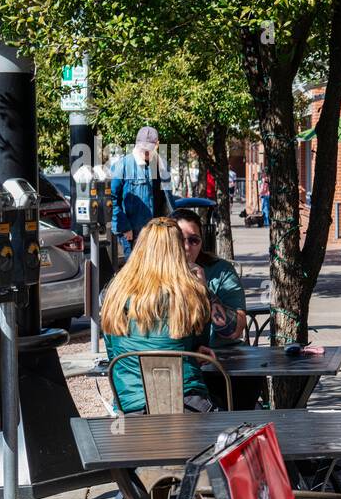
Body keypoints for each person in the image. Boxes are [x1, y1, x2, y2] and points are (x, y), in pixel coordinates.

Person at [99, 217, 216, 414]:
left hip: (130, 407)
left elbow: (112, 352)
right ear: (178, 249)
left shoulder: (114, 291)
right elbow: (200, 343)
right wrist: (203, 289)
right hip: (186, 402)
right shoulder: (190, 292)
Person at [172, 208, 262, 409]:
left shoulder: (220, 271)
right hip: (177, 363)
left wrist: (204, 291)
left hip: (219, 359)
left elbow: (235, 330)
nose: (187, 247)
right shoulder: (155, 275)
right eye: (180, 239)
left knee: (248, 383)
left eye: (194, 240)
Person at [111, 125, 171, 256]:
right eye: (142, 149)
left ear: (157, 145)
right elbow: (112, 199)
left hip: (157, 231)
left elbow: (167, 199)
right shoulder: (122, 165)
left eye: (149, 149)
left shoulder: (162, 164)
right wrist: (124, 228)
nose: (145, 152)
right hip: (132, 232)